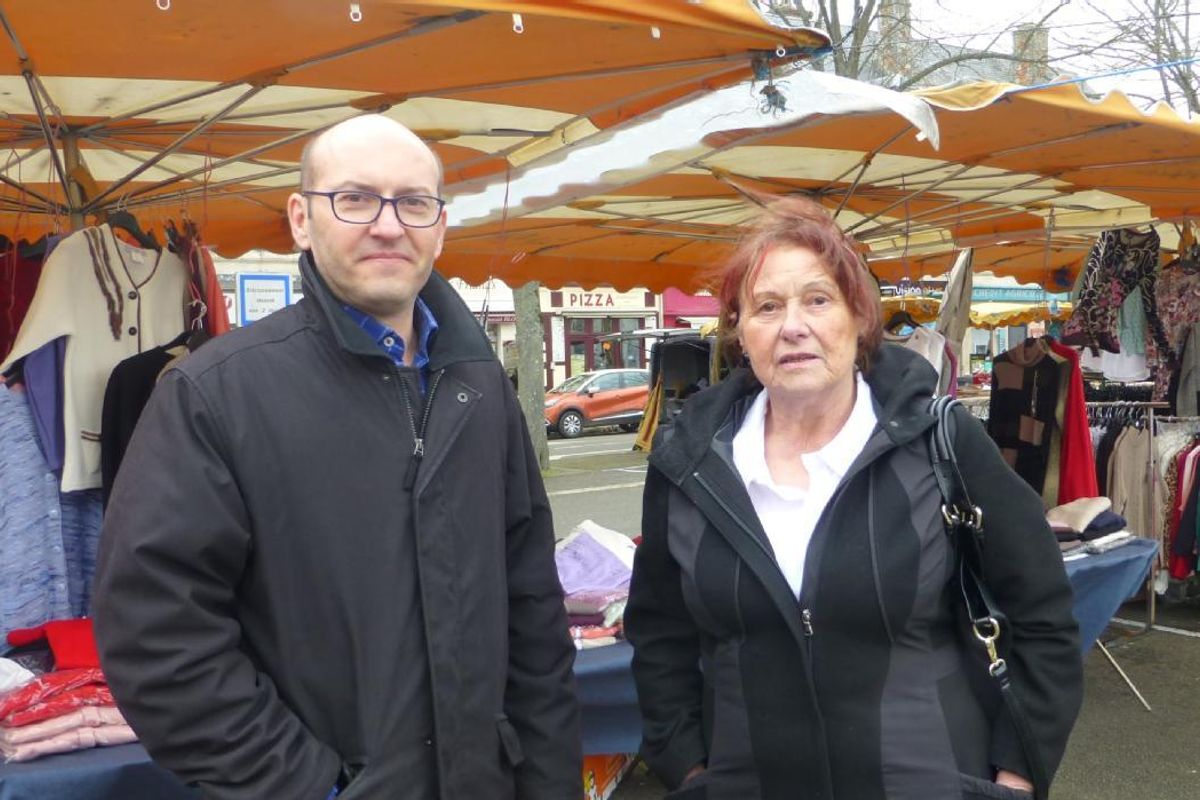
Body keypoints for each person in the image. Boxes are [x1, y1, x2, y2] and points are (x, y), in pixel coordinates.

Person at [92, 115, 582, 800]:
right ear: (300, 218)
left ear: (440, 226)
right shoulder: (215, 393)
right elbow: (157, 635)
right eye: (355, 198)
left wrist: (547, 782)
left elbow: (532, 607)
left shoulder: (479, 387)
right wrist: (311, 788)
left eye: (414, 202)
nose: (389, 225)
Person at [624, 197, 1082, 800]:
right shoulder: (688, 463)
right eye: (767, 306)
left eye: (818, 299)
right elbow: (659, 634)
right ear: (739, 331)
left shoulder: (939, 440)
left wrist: (1016, 774)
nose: (794, 326)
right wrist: (690, 768)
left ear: (858, 318)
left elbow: (1044, 614)